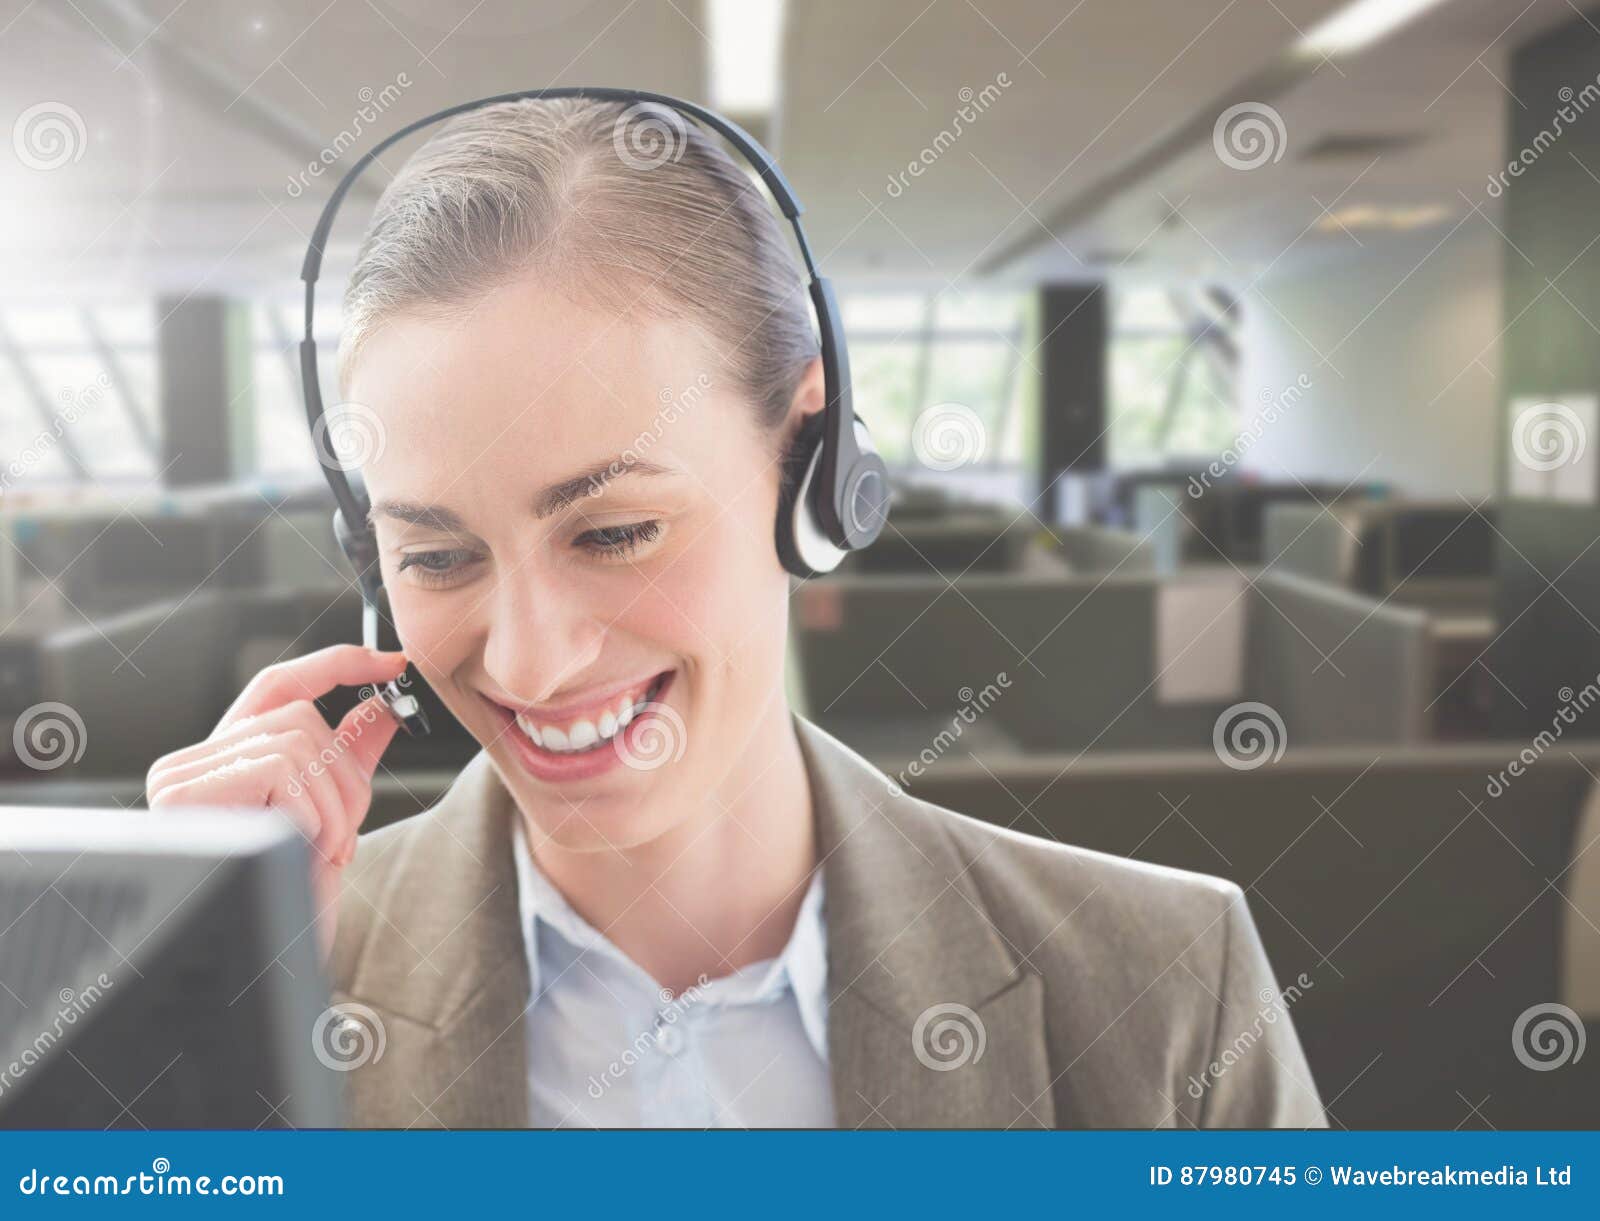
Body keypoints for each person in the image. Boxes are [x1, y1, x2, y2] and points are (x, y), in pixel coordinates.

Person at [146, 97, 1324, 1129]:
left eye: (613, 533)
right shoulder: (284, 987)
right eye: (438, 555)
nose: (531, 659)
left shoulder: (1162, 989)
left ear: (810, 465)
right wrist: (195, 1045)